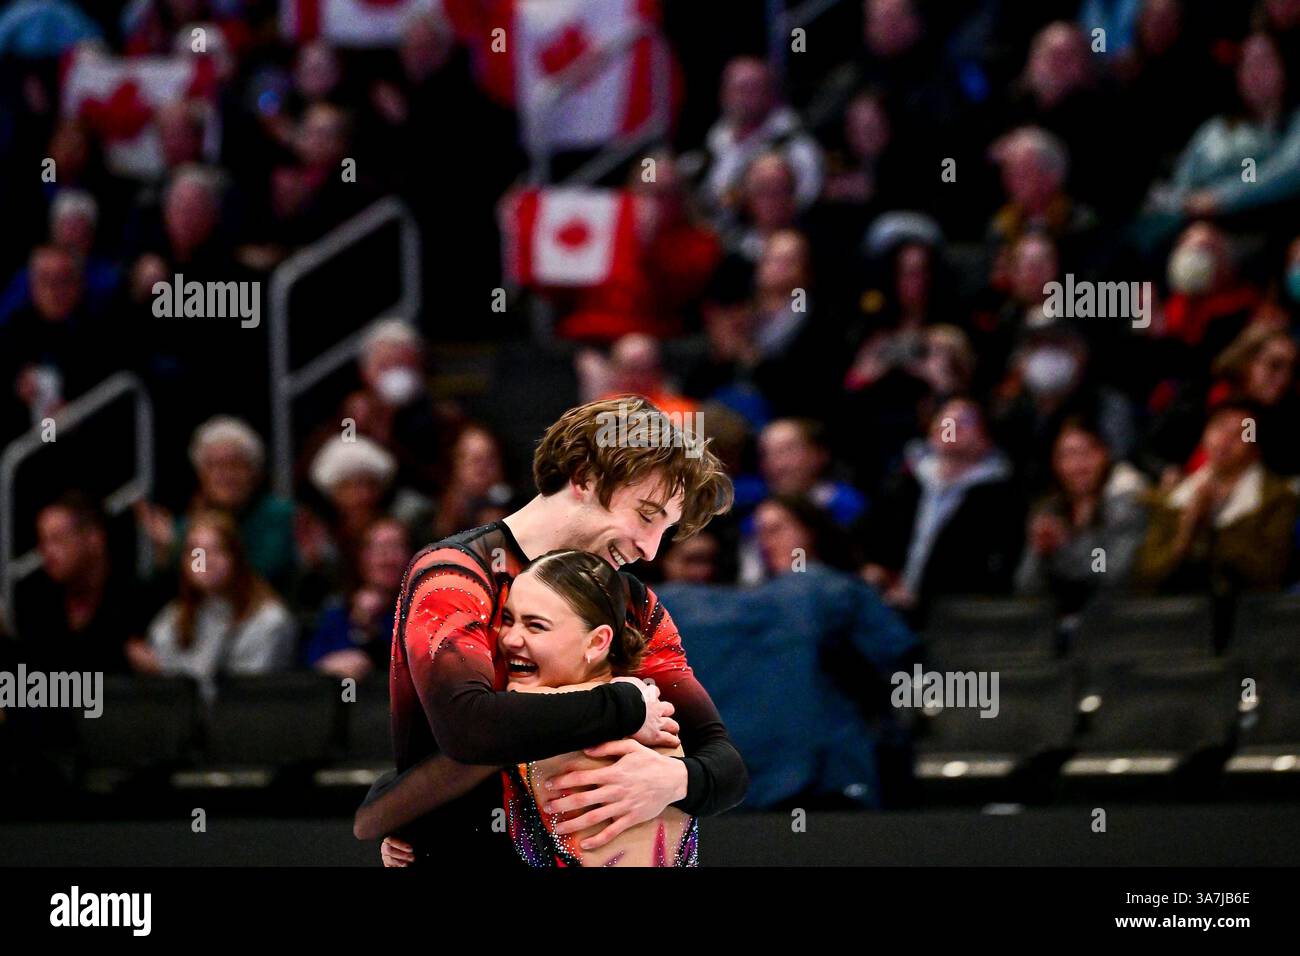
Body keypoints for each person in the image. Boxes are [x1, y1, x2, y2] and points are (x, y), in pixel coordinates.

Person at [357, 397, 746, 867]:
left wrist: (673, 781)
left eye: (665, 530)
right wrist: (625, 706)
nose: (649, 548)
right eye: (646, 515)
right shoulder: (455, 576)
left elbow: (725, 764)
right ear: (583, 476)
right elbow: (469, 728)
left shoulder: (633, 603)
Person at [373, 550, 698, 868]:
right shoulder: (620, 706)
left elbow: (422, 795)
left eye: (536, 626)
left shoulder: (580, 722)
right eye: (509, 620)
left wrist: (417, 837)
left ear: (597, 642)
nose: (510, 639)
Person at [1133, 399, 1299, 596]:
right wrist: (1185, 535)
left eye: (1241, 434)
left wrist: (1210, 528)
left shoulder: (1279, 499)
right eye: (1220, 427)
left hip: (1249, 613)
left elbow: (1269, 573)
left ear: (1257, 447)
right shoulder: (1169, 498)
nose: (1225, 440)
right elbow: (1144, 577)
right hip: (1175, 612)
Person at [137, 510, 296, 702]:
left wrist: (164, 669)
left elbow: (245, 695)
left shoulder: (269, 620)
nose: (205, 562)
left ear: (237, 558)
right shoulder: (174, 616)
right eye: (196, 553)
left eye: (217, 550)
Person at [1014, 418, 1151, 613]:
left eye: (1086, 453)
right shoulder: (1049, 511)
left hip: (1111, 621)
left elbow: (1105, 572)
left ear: (1105, 454)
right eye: (1067, 455)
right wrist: (1039, 553)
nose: (1078, 465)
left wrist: (1064, 547)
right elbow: (1026, 588)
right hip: (1052, 623)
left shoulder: (1122, 508)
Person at [305, 517, 413, 681]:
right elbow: (312, 663)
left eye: (396, 547)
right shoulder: (338, 610)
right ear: (361, 557)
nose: (387, 557)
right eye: (378, 548)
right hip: (345, 699)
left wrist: (369, 631)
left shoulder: (420, 612)